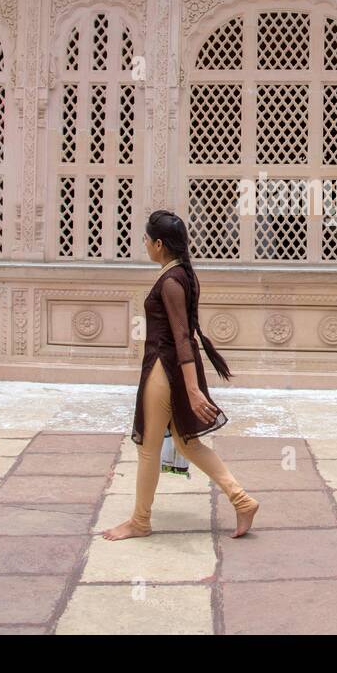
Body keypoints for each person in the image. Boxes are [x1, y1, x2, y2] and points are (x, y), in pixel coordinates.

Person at [102, 210, 259, 541]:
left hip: (165, 369)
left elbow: (182, 337)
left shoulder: (171, 281)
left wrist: (190, 389)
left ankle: (140, 522)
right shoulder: (180, 275)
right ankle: (242, 500)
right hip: (173, 369)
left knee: (149, 447)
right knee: (188, 444)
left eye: (146, 239)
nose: (144, 244)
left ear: (159, 244)